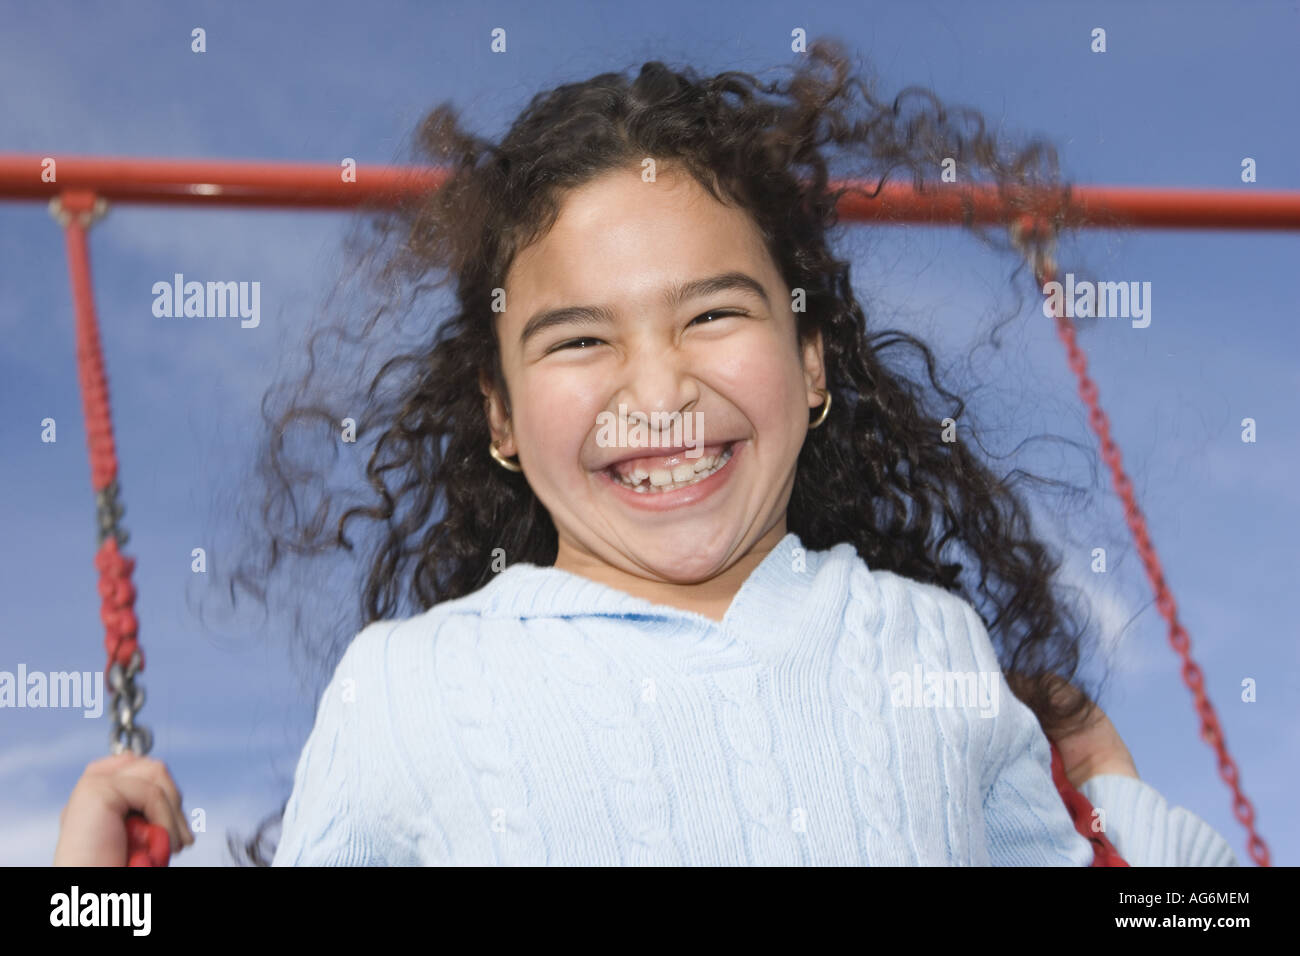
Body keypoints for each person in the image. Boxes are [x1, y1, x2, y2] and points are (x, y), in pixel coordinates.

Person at [54, 39, 1237, 866]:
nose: (659, 387)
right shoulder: (408, 687)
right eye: (577, 337)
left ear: (811, 359)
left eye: (713, 313)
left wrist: (1113, 787)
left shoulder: (926, 644)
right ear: (502, 414)